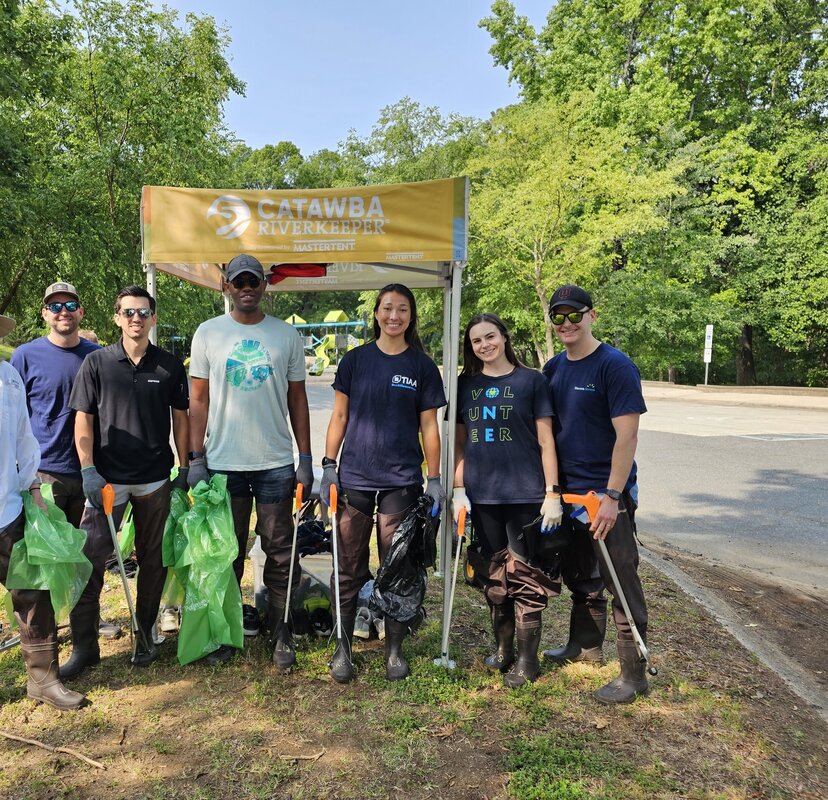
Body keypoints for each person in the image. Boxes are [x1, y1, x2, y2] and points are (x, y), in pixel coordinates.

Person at [187, 254, 313, 668]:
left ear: (264, 286)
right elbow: (198, 400)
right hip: (223, 463)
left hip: (275, 463)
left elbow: (298, 399)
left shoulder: (286, 336)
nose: (246, 288)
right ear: (226, 285)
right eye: (238, 281)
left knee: (279, 549)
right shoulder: (208, 334)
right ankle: (225, 633)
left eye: (252, 281)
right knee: (227, 552)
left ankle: (281, 632)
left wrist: (306, 457)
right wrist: (195, 457)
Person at [320, 283, 447, 683]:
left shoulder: (421, 366)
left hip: (401, 480)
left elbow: (430, 425)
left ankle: (393, 650)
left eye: (403, 310)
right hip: (354, 478)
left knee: (398, 567)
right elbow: (339, 417)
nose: (395, 316)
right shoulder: (355, 361)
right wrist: (327, 465)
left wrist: (436, 478)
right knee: (348, 564)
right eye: (388, 308)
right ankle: (343, 649)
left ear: (411, 317)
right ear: (376, 313)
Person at [61, 286, 190, 676]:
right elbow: (82, 418)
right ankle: (85, 647)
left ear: (152, 319)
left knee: (153, 560)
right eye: (129, 312)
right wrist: (87, 467)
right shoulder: (97, 363)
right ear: (117, 317)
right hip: (106, 483)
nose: (137, 319)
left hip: (154, 481)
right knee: (90, 562)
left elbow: (181, 418)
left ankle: (146, 632)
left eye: (144, 313)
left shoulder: (168, 364)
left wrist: (185, 467)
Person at [541, 284, 650, 704]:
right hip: (568, 496)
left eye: (574, 315)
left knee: (620, 580)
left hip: (605, 496)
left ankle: (633, 674)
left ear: (592, 316)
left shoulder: (615, 366)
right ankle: (585, 648)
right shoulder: (553, 368)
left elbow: (627, 437)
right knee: (582, 575)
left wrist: (612, 495)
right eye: (558, 317)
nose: (566, 324)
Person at [452, 313, 563, 687]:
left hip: (525, 494)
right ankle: (503, 650)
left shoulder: (532, 381)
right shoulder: (464, 385)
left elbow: (546, 441)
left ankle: (528, 660)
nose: (484, 345)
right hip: (483, 497)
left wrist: (552, 493)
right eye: (476, 341)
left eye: (490, 337)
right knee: (491, 574)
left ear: (504, 337)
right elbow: (459, 444)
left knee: (526, 577)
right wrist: (457, 489)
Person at [0, 313, 86, 710]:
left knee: (32, 593)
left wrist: (33, 485)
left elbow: (22, 436)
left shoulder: (8, 377)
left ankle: (43, 680)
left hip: (8, 508)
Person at [11, 283, 100, 528]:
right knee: (47, 557)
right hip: (44, 473)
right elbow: (12, 417)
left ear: (80, 312)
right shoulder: (24, 356)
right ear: (45, 313)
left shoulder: (97, 356)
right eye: (55, 306)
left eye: (70, 305)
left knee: (86, 555)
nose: (64, 311)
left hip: (89, 470)